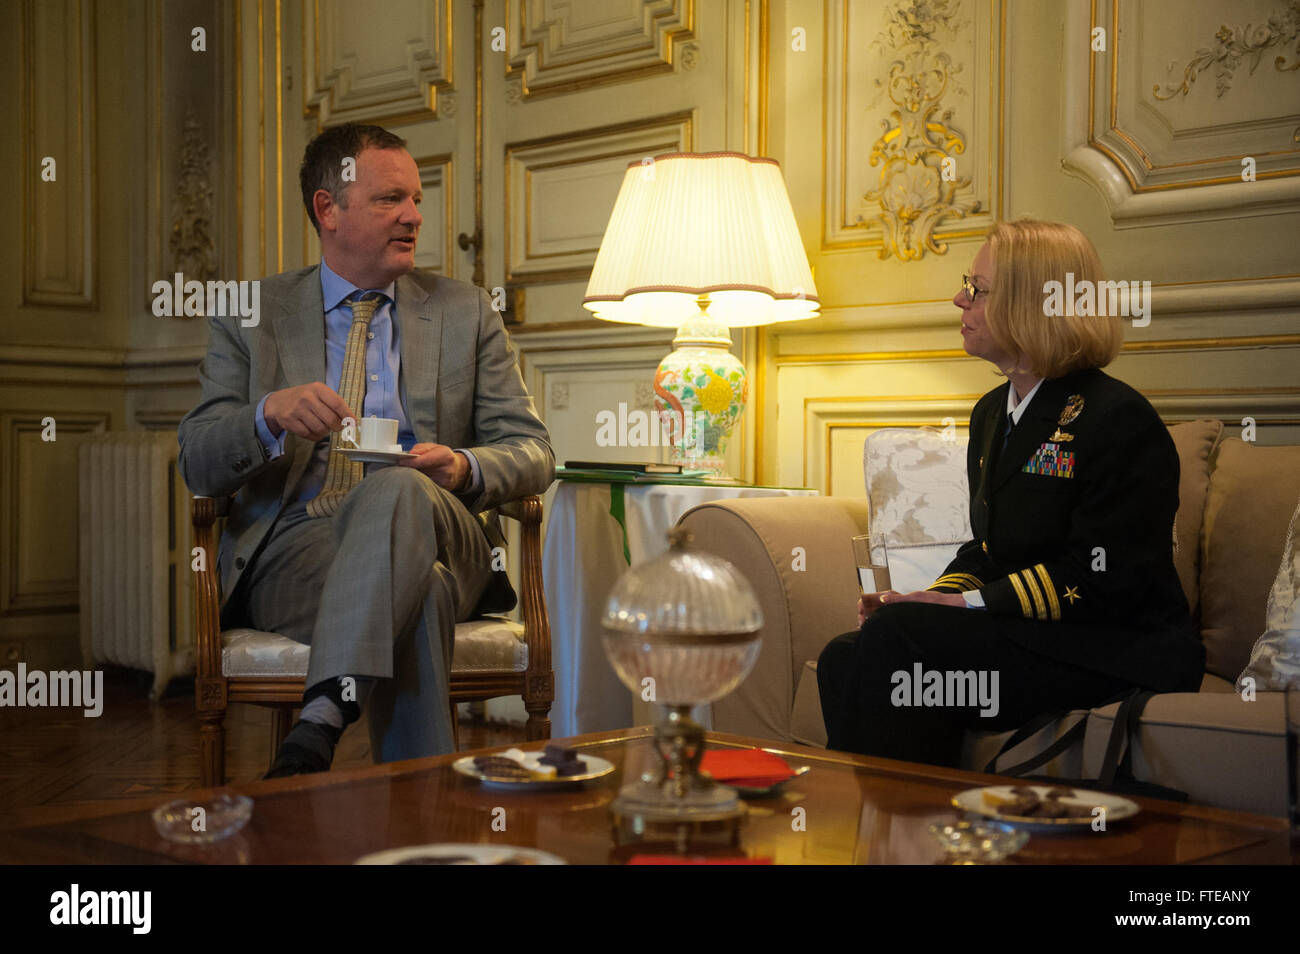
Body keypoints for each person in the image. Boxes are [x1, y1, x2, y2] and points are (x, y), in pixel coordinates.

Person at [178, 123, 554, 777]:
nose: (412, 216)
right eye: (390, 200)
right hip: (297, 555)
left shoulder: (465, 311)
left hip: (446, 531)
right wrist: (268, 414)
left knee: (401, 488)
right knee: (423, 595)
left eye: (415, 200)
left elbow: (534, 451)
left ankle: (319, 720)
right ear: (329, 209)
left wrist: (464, 467)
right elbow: (199, 460)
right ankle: (424, 822)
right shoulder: (249, 314)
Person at [817, 219, 1204, 767]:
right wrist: (932, 596)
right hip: (1034, 636)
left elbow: (1103, 577)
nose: (959, 299)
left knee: (898, 640)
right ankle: (901, 823)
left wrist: (961, 606)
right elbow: (989, 549)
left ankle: (900, 835)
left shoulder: (1118, 418)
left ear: (1032, 304)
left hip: (1114, 648)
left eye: (976, 288)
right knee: (847, 654)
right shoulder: (993, 413)